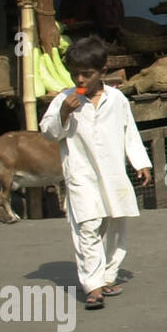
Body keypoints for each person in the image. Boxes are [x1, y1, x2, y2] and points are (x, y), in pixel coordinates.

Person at [39, 36, 152, 311]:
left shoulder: (117, 99)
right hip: (81, 176)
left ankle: (108, 276)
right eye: (75, 73)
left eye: (87, 74)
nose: (80, 79)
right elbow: (49, 133)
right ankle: (93, 286)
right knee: (87, 228)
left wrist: (140, 162)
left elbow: (129, 131)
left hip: (113, 175)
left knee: (115, 226)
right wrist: (64, 113)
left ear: (103, 71)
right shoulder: (65, 100)